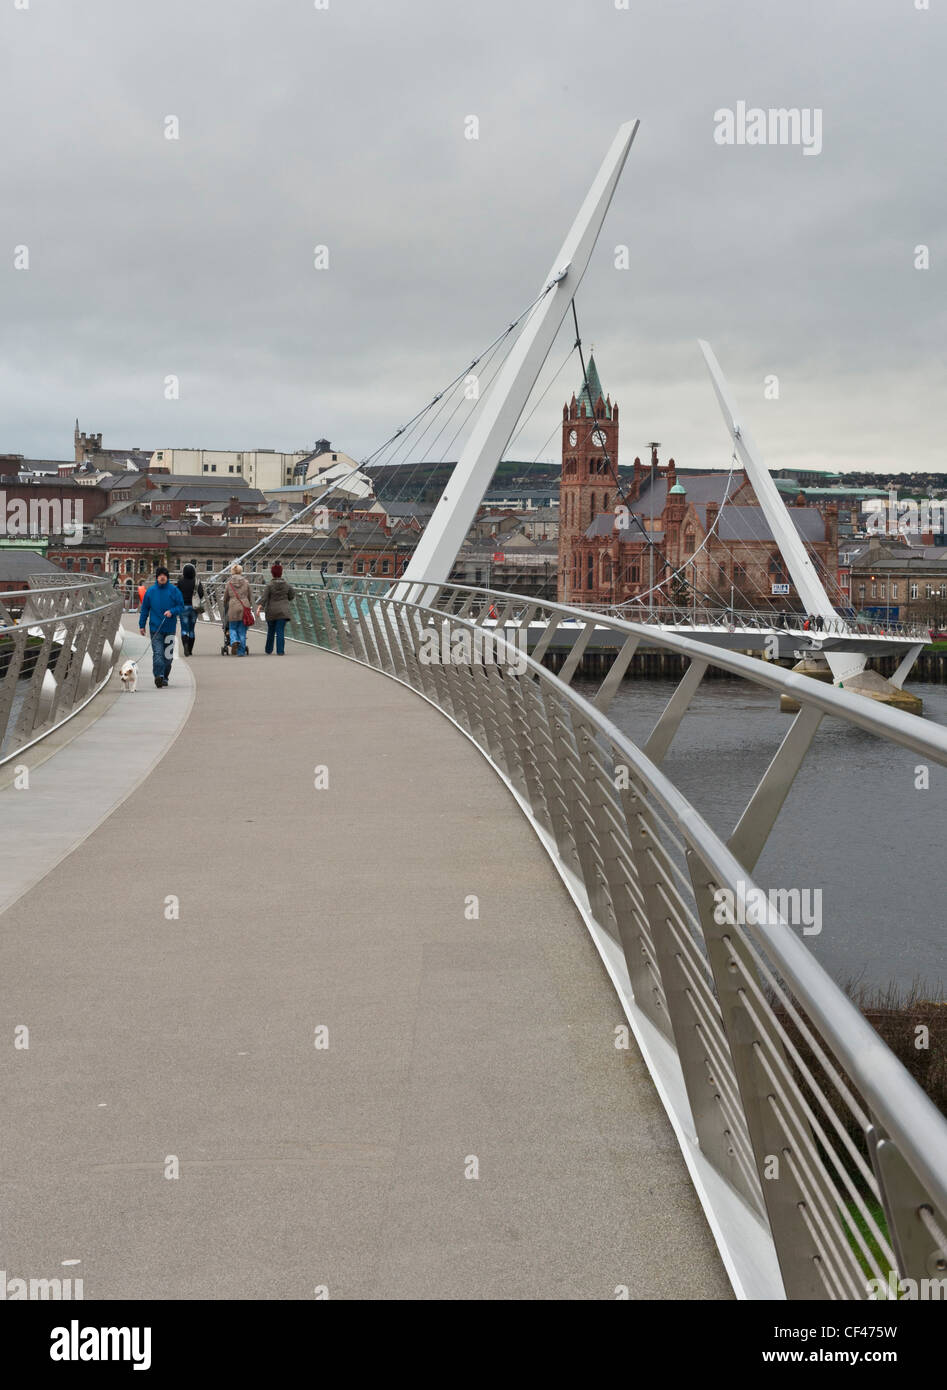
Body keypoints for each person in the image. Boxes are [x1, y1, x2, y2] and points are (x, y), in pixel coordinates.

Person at [138, 566, 185, 688]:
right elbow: (144, 610)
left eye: (164, 575)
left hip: (169, 628)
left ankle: (165, 676)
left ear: (167, 577)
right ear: (157, 577)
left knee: (168, 657)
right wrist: (141, 625)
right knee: (158, 654)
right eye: (160, 575)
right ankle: (158, 676)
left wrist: (172, 611)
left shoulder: (174, 591)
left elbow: (181, 606)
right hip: (155, 628)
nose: (162, 577)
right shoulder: (150, 591)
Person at [257, 563, 295, 655]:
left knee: (271, 630)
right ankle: (280, 651)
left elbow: (264, 598)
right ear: (281, 573)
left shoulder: (269, 585)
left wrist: (259, 607)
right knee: (280, 631)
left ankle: (269, 650)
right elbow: (292, 595)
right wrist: (286, 600)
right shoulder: (287, 585)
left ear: (272, 573)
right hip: (283, 611)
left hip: (271, 611)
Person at [222, 563, 252, 656]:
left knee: (232, 628)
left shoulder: (229, 583)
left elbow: (226, 597)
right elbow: (250, 596)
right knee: (242, 631)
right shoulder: (246, 582)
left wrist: (225, 604)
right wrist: (248, 604)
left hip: (233, 607)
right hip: (244, 607)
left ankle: (234, 640)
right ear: (241, 571)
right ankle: (241, 652)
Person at [177, 563, 204, 656]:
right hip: (194, 607)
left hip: (183, 607)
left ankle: (185, 645)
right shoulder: (197, 581)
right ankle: (190, 650)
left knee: (184, 628)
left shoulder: (180, 582)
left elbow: (177, 594)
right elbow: (201, 593)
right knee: (192, 629)